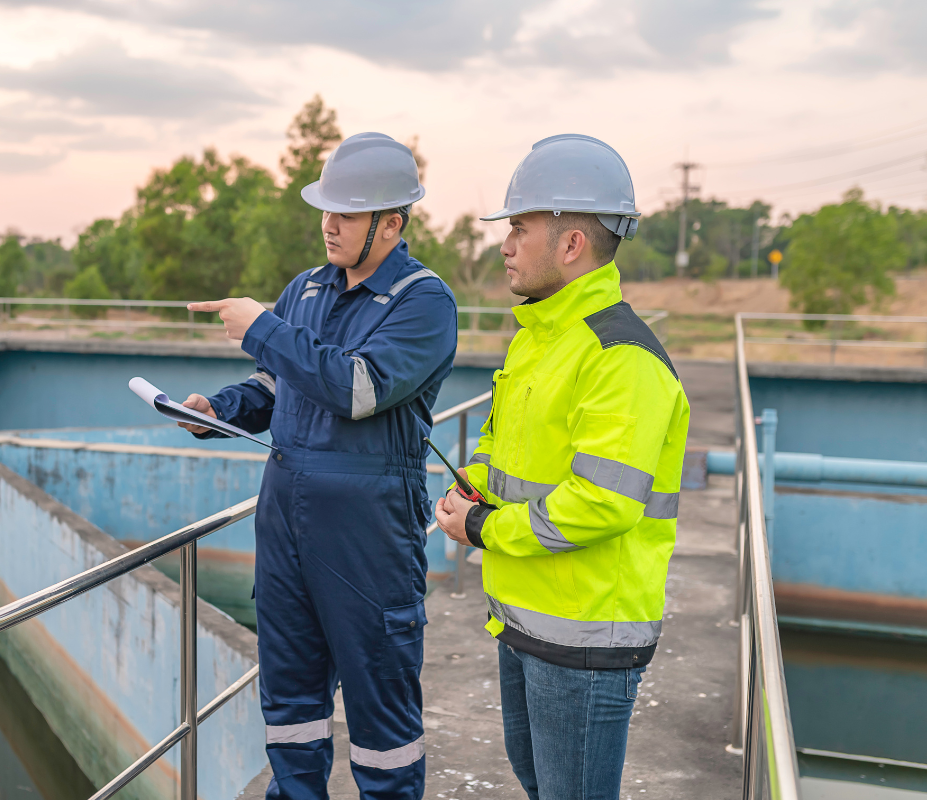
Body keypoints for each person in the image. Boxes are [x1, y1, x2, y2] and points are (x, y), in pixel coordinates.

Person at [180, 132, 458, 800]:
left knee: (381, 721)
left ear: (391, 224)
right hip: (287, 534)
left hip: (368, 543)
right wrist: (212, 410)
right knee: (291, 708)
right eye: (325, 210)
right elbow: (277, 389)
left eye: (348, 213)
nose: (329, 225)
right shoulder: (305, 290)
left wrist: (259, 327)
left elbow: (357, 388)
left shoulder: (425, 303)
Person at [434, 134, 691, 800]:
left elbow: (602, 502)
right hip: (527, 621)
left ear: (571, 243)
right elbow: (502, 447)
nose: (505, 244)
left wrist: (485, 527)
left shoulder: (619, 357)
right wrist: (474, 484)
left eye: (519, 228)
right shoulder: (542, 341)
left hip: (585, 638)